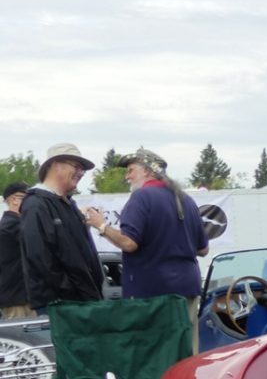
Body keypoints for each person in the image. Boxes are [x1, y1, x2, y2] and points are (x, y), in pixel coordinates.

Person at [83, 148, 209, 341]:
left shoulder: (142, 197)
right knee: (186, 349)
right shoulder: (186, 200)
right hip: (187, 289)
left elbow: (129, 243)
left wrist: (101, 225)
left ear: (148, 171)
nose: (127, 176)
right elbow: (203, 249)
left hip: (153, 295)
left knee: (157, 354)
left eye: (131, 170)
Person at [18, 143, 103, 314]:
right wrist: (71, 294)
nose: (81, 173)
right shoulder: (36, 204)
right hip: (60, 304)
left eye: (83, 170)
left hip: (80, 301)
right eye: (77, 167)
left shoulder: (67, 203)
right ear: (56, 165)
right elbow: (41, 258)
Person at [0, 181, 32, 319]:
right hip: (17, 299)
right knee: (23, 338)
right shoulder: (12, 225)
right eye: (28, 199)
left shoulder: (10, 224)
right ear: (14, 199)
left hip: (18, 296)